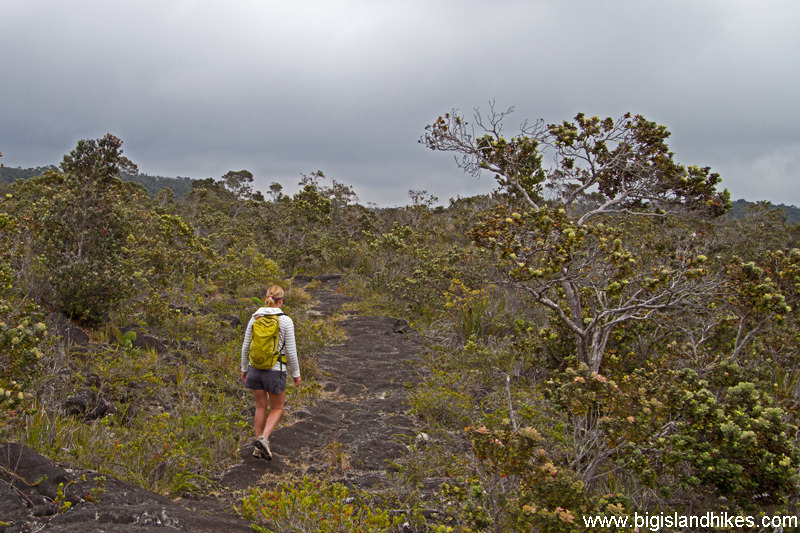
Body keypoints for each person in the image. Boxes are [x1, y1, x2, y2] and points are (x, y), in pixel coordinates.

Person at [240, 285, 302, 460]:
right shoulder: (286, 321)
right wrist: (296, 373)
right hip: (275, 371)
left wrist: (244, 369)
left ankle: (258, 447)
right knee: (277, 407)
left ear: (266, 297)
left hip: (255, 369)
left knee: (260, 406)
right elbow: (290, 351)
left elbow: (246, 346)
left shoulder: (255, 317)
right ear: (281, 300)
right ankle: (264, 438)